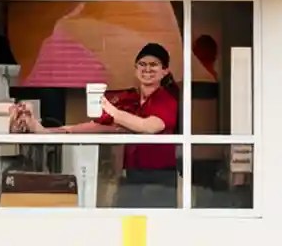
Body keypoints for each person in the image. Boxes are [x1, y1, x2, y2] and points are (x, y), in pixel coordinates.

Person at [13, 42, 180, 208]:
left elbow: (150, 127)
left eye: (154, 65)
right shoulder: (129, 99)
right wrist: (41, 129)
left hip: (160, 179)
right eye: (142, 64)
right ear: (135, 69)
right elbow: (95, 127)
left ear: (165, 71)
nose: (147, 69)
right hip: (131, 177)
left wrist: (111, 110)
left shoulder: (165, 99)